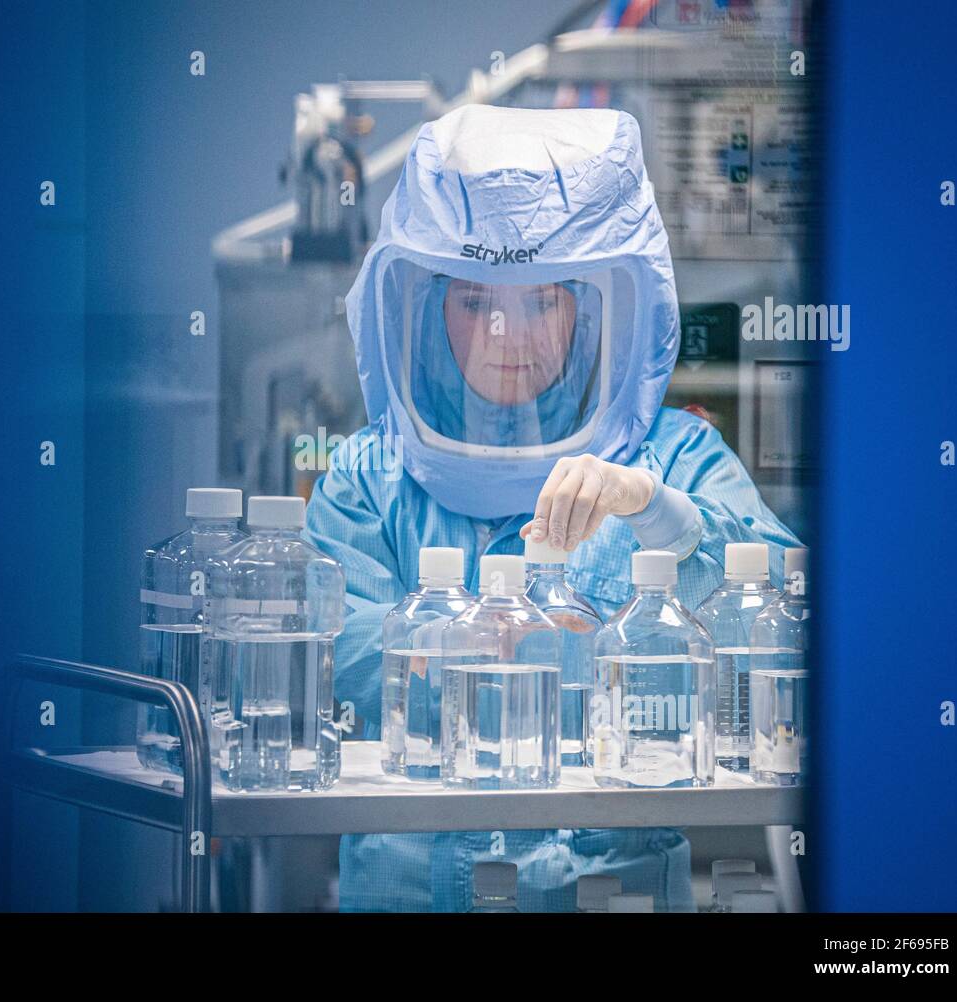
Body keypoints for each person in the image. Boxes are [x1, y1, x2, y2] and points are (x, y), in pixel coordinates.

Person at [304, 105, 802, 912]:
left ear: (593, 308)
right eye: (475, 301)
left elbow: (782, 620)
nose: (508, 333)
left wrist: (655, 513)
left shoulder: (671, 459)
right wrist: (499, 643)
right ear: (428, 310)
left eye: (543, 301)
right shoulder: (369, 478)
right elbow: (326, 660)